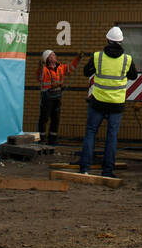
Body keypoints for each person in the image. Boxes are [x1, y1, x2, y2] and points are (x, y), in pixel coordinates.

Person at [79, 27, 136, 176]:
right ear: (121, 41)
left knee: (91, 132)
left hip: (98, 102)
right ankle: (107, 170)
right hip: (116, 105)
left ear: (107, 40)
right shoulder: (127, 59)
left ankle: (85, 168)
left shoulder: (97, 57)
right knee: (111, 137)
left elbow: (86, 72)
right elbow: (134, 75)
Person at [38, 49, 79, 148]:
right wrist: (41, 65)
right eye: (52, 55)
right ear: (47, 58)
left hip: (57, 96)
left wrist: (78, 58)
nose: (55, 56)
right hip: (47, 97)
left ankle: (52, 140)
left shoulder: (60, 67)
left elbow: (70, 68)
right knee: (44, 118)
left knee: (55, 119)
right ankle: (42, 139)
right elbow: (40, 76)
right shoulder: (44, 69)